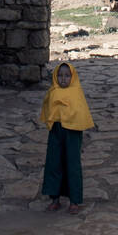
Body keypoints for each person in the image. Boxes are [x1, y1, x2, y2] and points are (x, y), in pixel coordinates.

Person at [39, 61, 94, 214]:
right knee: (54, 162)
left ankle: (74, 201)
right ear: (56, 77)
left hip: (73, 132)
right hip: (56, 131)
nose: (63, 79)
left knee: (72, 164)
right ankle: (54, 198)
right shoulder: (53, 92)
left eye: (67, 76)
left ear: (73, 77)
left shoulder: (76, 93)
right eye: (60, 76)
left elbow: (80, 113)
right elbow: (48, 110)